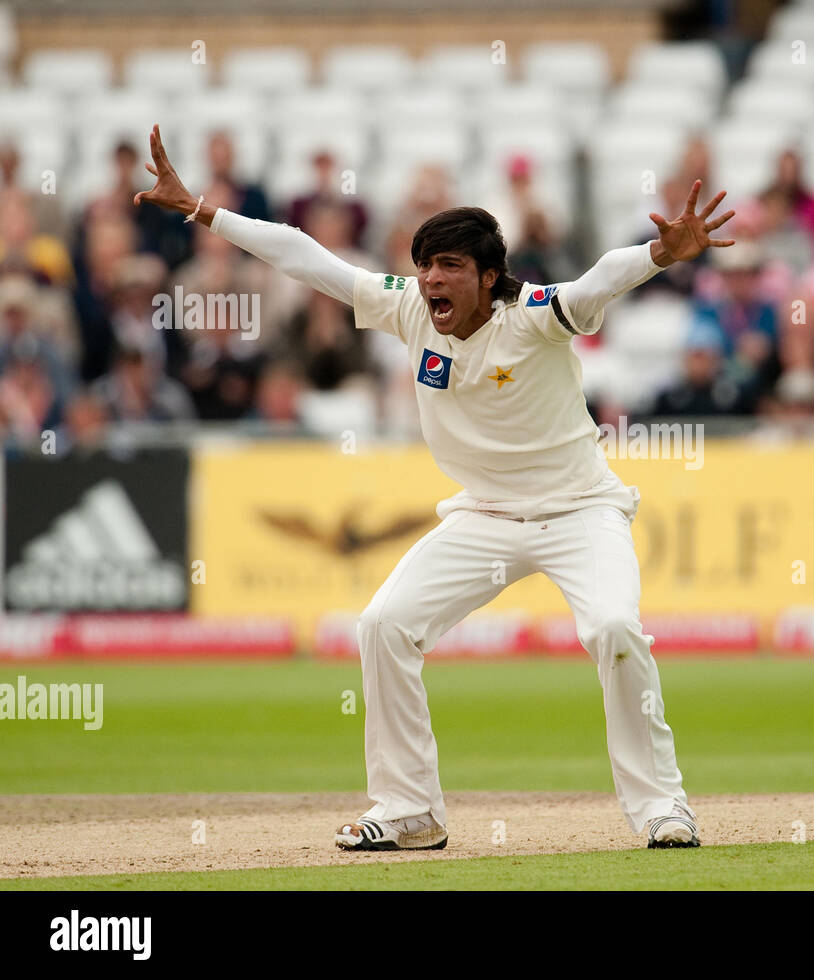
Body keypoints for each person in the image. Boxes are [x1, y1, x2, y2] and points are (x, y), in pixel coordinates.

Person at [134, 124, 735, 851]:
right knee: (384, 624)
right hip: (482, 515)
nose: (431, 280)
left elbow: (598, 280)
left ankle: (663, 809)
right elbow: (305, 255)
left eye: (449, 265)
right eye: (424, 265)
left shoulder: (535, 315)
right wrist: (201, 209)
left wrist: (659, 253)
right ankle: (409, 808)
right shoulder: (408, 306)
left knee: (612, 630)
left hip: (580, 509)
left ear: (489, 275)